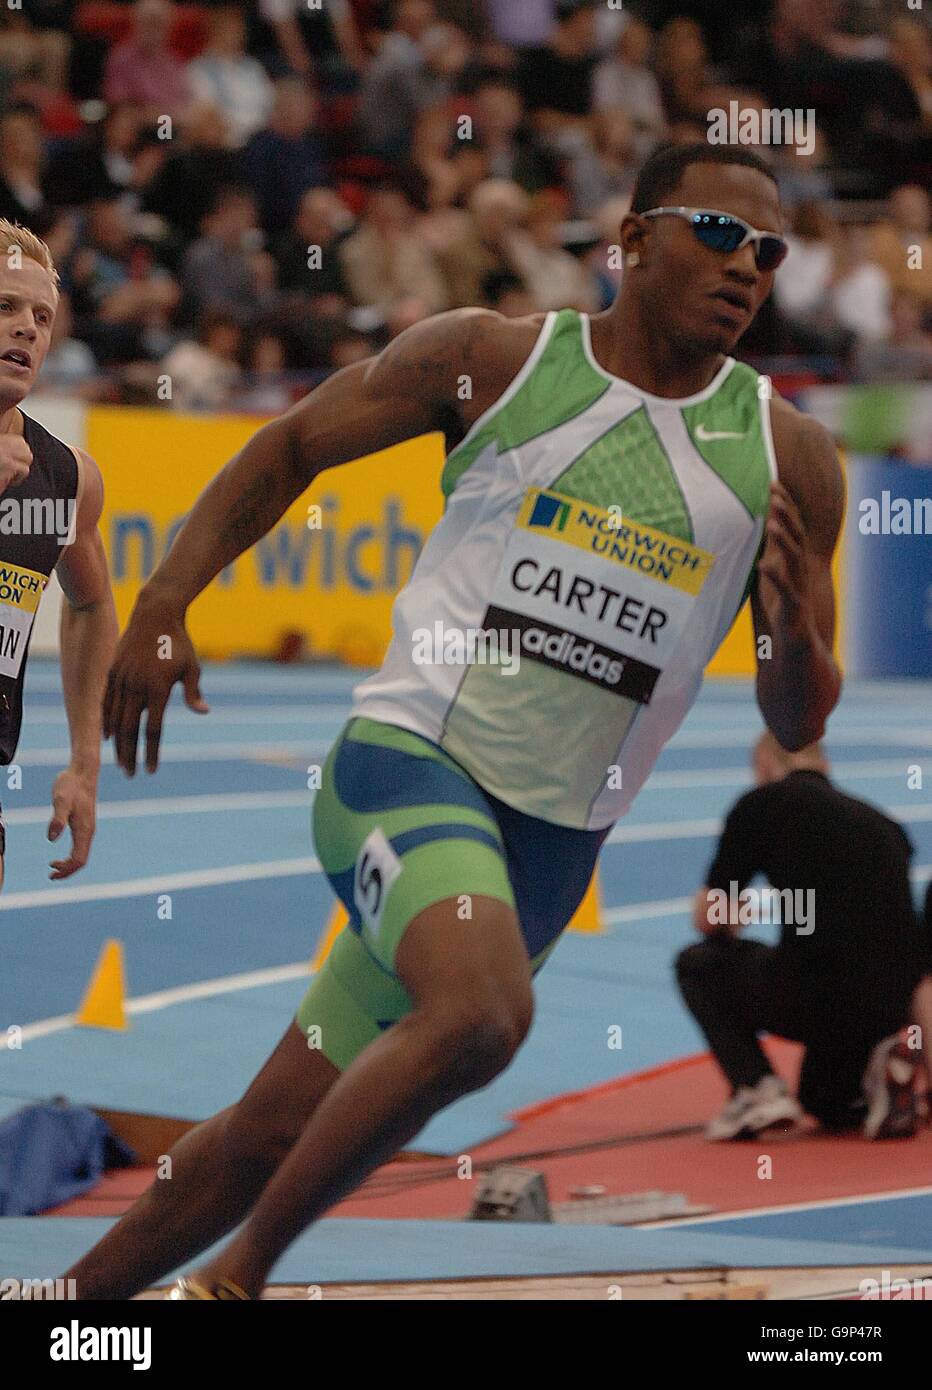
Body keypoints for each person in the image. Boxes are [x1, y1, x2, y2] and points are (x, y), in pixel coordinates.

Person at [66, 141, 843, 1300]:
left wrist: (789, 631)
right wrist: (169, 596)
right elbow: (289, 445)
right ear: (629, 241)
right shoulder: (495, 360)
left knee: (273, 1128)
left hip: (547, 852)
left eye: (767, 251)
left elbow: (794, 715)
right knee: (482, 1014)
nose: (747, 268)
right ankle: (236, 1281)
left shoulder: (789, 458)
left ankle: (67, 1320)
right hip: (407, 766)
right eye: (717, 233)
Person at [677, 733, 926, 1142]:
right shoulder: (885, 824)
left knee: (699, 963)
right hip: (886, 1007)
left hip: (815, 994)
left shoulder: (762, 804)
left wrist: (740, 915)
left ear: (765, 765)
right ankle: (877, 1076)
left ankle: (758, 1090)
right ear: (824, 764)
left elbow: (708, 917)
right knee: (825, 1102)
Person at [0, 218, 117, 888]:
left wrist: (84, 762)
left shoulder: (67, 479)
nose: (27, 329)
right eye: (5, 307)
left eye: (42, 317)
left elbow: (92, 603)